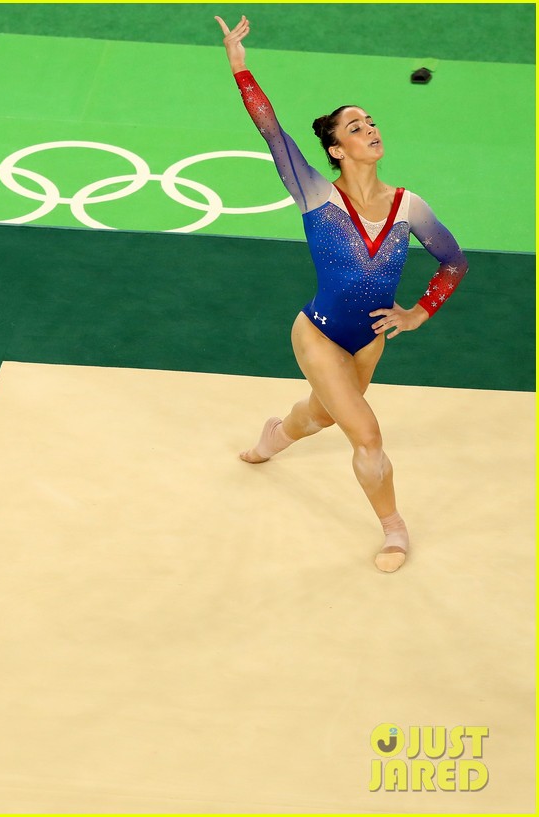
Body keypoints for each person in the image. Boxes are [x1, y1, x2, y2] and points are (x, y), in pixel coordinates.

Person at [215, 15, 468, 573]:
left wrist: (421, 311)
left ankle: (276, 436)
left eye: (372, 122)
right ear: (335, 149)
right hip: (319, 334)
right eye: (356, 126)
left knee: (325, 417)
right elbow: (272, 131)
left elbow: (453, 261)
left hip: (370, 340)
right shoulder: (313, 194)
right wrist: (240, 65)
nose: (371, 129)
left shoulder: (408, 206)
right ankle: (394, 528)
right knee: (366, 432)